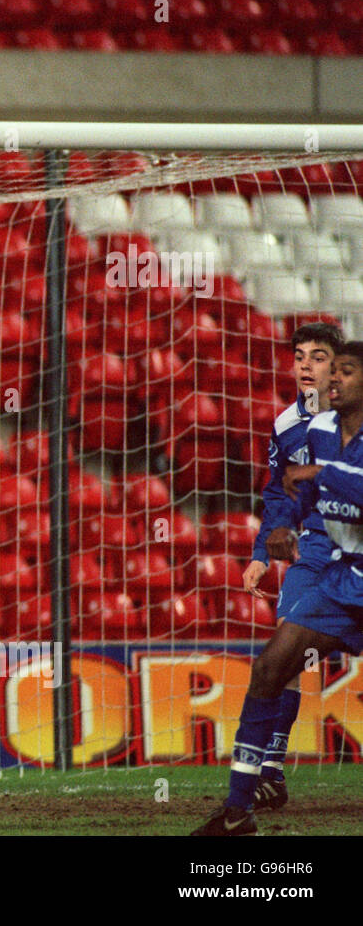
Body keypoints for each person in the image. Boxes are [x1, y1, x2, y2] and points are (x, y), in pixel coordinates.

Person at [193, 340, 363, 836]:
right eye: (307, 360)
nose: (329, 376)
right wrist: (280, 532)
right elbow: (293, 489)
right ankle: (238, 811)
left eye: (343, 370)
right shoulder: (319, 427)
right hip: (337, 574)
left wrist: (322, 474)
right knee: (270, 667)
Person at [240, 321, 343, 811]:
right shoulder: (285, 425)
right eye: (299, 355)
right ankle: (270, 773)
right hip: (317, 552)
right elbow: (278, 495)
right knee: (284, 653)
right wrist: (263, 551)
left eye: (317, 356)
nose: (305, 364)